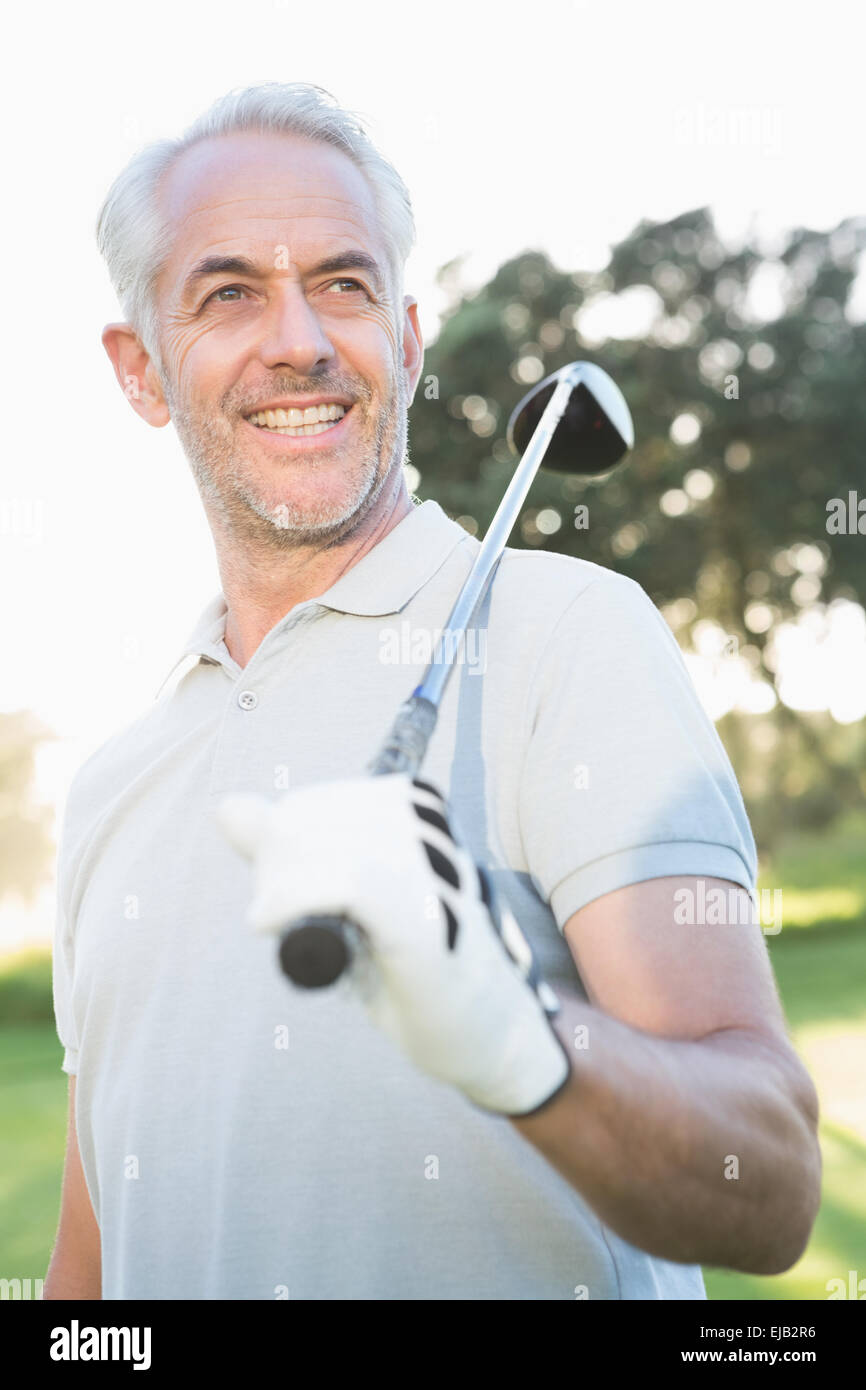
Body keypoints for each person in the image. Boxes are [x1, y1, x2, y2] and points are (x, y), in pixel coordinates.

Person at [45, 82, 820, 1301]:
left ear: (402, 344)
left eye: (343, 285)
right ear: (141, 371)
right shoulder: (105, 790)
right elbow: (92, 1270)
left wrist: (528, 1046)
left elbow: (768, 1186)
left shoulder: (567, 633)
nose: (299, 338)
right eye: (230, 291)